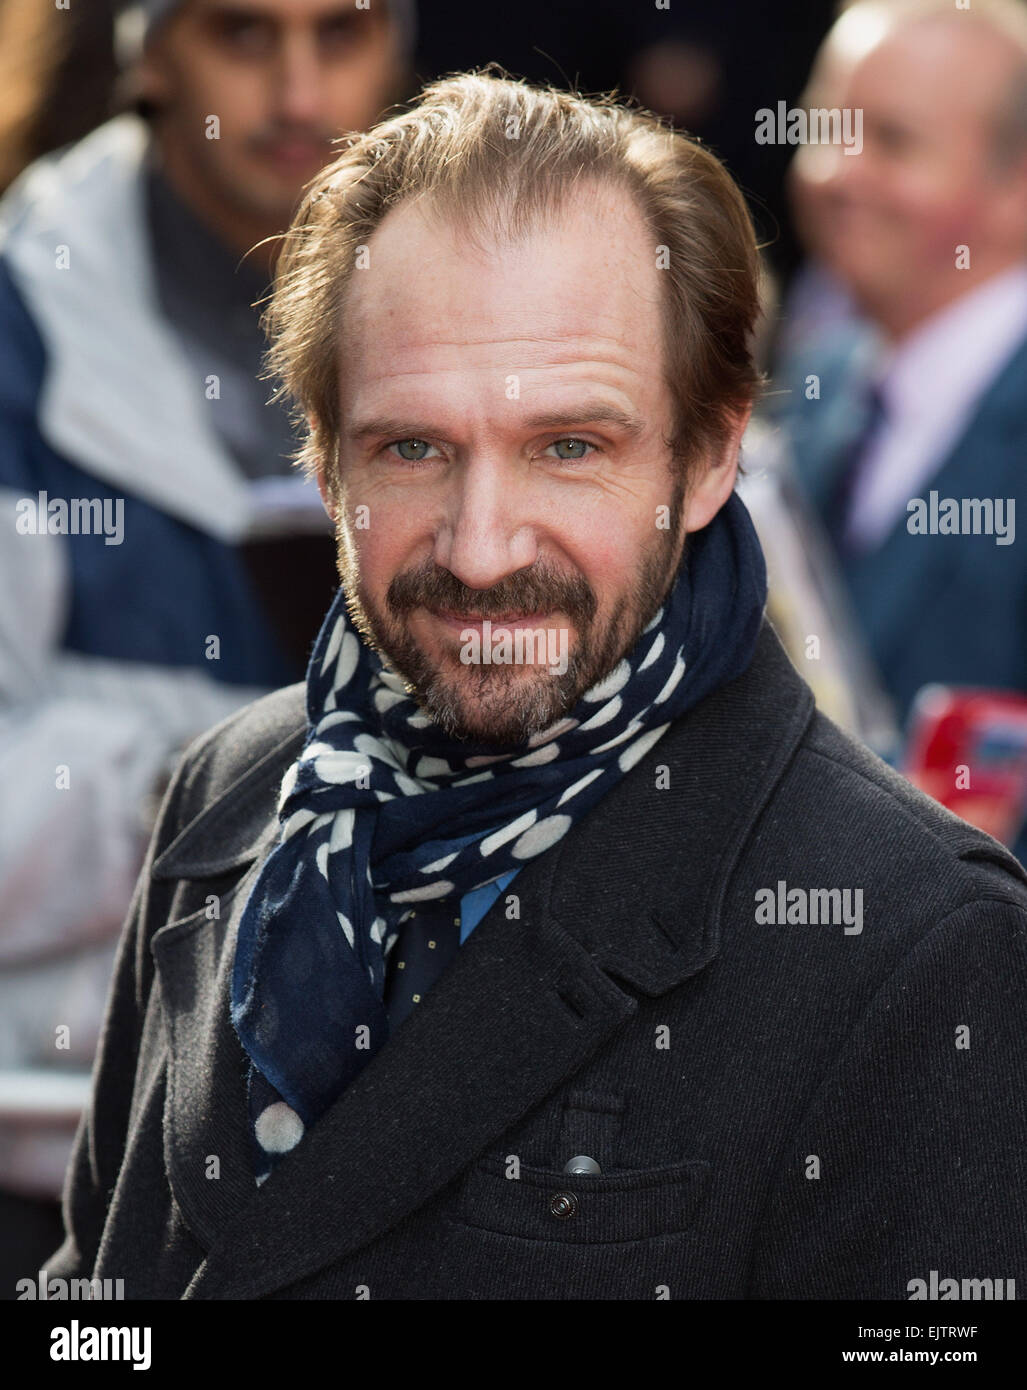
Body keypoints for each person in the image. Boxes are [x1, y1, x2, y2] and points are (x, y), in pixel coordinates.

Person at [43, 71, 1027, 1301]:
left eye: (569, 448)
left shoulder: (914, 944)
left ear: (712, 454)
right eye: (412, 449)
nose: (480, 547)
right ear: (320, 452)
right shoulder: (228, 795)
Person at [0, 0, 414, 1290]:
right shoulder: (21, 341)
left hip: (382, 1174)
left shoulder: (474, 304)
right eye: (245, 33)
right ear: (151, 48)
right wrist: (217, 779)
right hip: (62, 1168)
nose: (298, 95)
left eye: (340, 32)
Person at [780, 0, 1027, 737]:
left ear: (1015, 184)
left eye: (892, 141)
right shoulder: (819, 378)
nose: (836, 173)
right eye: (825, 128)